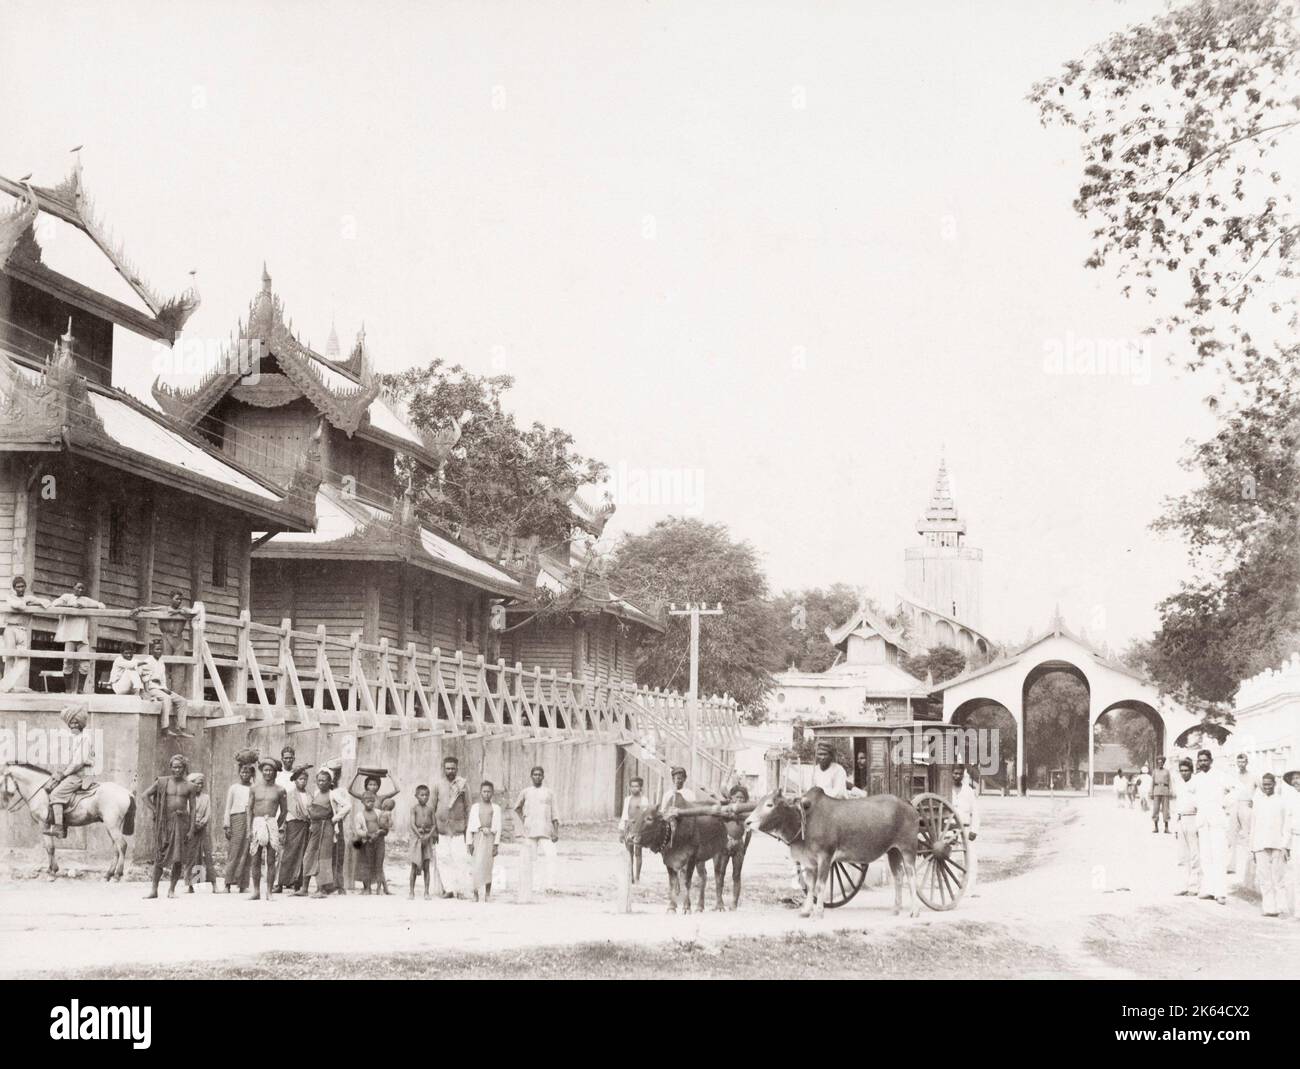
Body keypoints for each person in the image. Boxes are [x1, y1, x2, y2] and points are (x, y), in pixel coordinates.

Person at [143, 753, 196, 899]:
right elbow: (145, 795)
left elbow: (193, 809)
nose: (177, 770)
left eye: (180, 767)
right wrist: (156, 811)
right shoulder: (162, 782)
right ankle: (154, 890)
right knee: (160, 856)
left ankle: (171, 890)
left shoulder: (190, 786)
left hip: (182, 823)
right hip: (165, 824)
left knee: (178, 858)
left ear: (184, 768)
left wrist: (191, 829)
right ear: (170, 767)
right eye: (174, 767)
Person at [1188, 749, 1233, 905]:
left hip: (1217, 820)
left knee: (1219, 856)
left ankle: (1220, 892)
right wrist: (1197, 804)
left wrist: (1223, 804)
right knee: (1206, 856)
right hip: (1203, 820)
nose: (1202, 763)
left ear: (1211, 761)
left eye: (1205, 760)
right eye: (1200, 760)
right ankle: (1208, 889)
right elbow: (1190, 794)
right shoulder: (1197, 778)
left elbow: (1235, 790)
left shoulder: (1220, 776)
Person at [46, 702, 94, 837]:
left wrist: (63, 774)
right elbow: (70, 760)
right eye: (71, 723)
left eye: (75, 723)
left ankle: (59, 828)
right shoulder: (76, 738)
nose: (73, 725)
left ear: (81, 723)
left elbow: (78, 762)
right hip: (73, 773)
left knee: (56, 794)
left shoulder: (85, 738)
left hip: (79, 775)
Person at [132, 592, 195, 693]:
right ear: (170, 599)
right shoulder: (163, 609)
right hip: (166, 638)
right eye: (177, 599)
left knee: (179, 666)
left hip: (178, 640)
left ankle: (176, 692)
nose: (179, 601)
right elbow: (150, 609)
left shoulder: (183, 610)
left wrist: (178, 612)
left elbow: (193, 613)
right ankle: (163, 690)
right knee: (163, 664)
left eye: (180, 599)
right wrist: (139, 609)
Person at [50, 581, 105, 692]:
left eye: (82, 588)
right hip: (69, 636)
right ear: (73, 587)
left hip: (82, 636)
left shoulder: (85, 600)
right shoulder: (67, 597)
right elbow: (54, 604)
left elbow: (101, 605)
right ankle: (68, 689)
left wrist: (86, 606)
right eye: (78, 588)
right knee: (67, 662)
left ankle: (80, 689)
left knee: (85, 664)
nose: (80, 590)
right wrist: (71, 606)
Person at [514, 765, 560, 897]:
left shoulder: (549, 793)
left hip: (546, 830)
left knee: (551, 856)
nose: (537, 777)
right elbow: (517, 807)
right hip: (530, 831)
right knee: (532, 859)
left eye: (540, 774)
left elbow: (555, 813)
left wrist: (556, 831)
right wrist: (525, 821)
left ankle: (551, 885)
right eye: (535, 774)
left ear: (543, 777)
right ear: (531, 776)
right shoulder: (526, 792)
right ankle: (534, 885)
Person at [1250, 772, 1289, 918]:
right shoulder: (1258, 803)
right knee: (1264, 878)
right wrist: (1252, 847)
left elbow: (1286, 825)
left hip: (1277, 844)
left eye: (1269, 784)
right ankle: (1269, 908)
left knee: (1278, 877)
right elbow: (1253, 826)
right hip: (1260, 844)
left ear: (1274, 784)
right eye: (1264, 784)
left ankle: (1282, 907)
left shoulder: (1281, 802)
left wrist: (1285, 845)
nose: (1267, 787)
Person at [248, 758, 287, 901]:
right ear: (261, 771)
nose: (268, 773)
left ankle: (269, 892)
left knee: (271, 860)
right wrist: (249, 829)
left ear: (275, 772)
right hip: (257, 823)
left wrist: (276, 825)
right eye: (265, 770)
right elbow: (249, 810)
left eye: (271, 770)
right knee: (255, 859)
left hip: (271, 822)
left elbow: (284, 811)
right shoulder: (254, 788)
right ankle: (256, 891)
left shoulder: (280, 790)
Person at [430, 756, 469, 899]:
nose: (450, 771)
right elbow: (431, 808)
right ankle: (449, 889)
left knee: (460, 859)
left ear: (457, 768)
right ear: (443, 769)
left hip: (458, 828)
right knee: (443, 859)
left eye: (453, 768)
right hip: (441, 829)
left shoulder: (463, 784)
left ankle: (461, 890)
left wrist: (467, 829)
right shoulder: (437, 785)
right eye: (448, 768)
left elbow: (468, 807)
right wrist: (433, 829)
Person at [1, 576, 48, 692]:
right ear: (14, 588)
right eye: (18, 587)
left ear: (25, 587)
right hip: (10, 629)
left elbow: (47, 603)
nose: (20, 589)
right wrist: (27, 602)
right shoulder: (10, 597)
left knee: (23, 659)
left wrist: (35, 602)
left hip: (23, 630)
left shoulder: (29, 598)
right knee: (10, 658)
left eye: (22, 586)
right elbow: (18, 606)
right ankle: (7, 687)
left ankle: (5, 684)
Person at [300, 768, 339, 898]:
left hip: (326, 827)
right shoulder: (316, 793)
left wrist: (334, 819)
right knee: (309, 855)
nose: (321, 783)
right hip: (315, 827)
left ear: (330, 782)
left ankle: (321, 889)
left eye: (324, 780)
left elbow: (347, 806)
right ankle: (304, 888)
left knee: (323, 858)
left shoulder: (333, 794)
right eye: (319, 780)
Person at [277, 765, 312, 893]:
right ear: (295, 780)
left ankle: (297, 883)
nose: (302, 781)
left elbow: (310, 811)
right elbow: (286, 811)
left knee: (303, 854)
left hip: (305, 826)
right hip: (293, 825)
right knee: (288, 854)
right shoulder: (290, 795)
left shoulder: (309, 795)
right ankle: (281, 883)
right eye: (300, 779)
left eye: (305, 779)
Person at [467, 780, 502, 902]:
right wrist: (469, 843)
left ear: (492, 793)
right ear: (480, 793)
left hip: (490, 839)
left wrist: (496, 844)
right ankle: (475, 894)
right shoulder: (475, 807)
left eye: (489, 792)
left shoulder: (496, 808)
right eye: (484, 791)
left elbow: (498, 827)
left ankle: (487, 894)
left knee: (488, 866)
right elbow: (470, 826)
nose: (486, 794)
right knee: (476, 865)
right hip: (478, 838)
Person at [222, 762, 254, 893]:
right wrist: (227, 825)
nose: (245, 774)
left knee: (247, 852)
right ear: (239, 773)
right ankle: (227, 884)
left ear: (251, 774)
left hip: (250, 819)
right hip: (236, 819)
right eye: (242, 772)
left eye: (248, 772)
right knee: (234, 852)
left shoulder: (254, 787)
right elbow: (228, 807)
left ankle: (243, 885)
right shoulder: (234, 788)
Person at [1228, 753, 1260, 881]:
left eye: (1243, 762)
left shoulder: (1252, 776)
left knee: (1248, 836)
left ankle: (1250, 865)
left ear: (1247, 762)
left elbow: (1261, 790)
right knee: (1231, 836)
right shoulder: (1233, 776)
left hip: (1246, 805)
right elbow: (1227, 790)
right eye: (1239, 762)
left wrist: (1255, 801)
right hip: (1234, 805)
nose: (1241, 764)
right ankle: (1231, 865)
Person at [1171, 757, 1200, 896]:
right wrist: (1176, 826)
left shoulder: (1197, 783)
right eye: (1181, 770)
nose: (1184, 773)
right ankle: (1183, 885)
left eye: (1186, 770)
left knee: (1195, 855)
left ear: (1191, 771)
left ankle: (1194, 886)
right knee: (1182, 856)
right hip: (1181, 819)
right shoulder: (1179, 784)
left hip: (1194, 819)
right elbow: (1177, 805)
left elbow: (1200, 805)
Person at [185, 772, 216, 891]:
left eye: (201, 784)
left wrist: (202, 822)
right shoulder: (187, 798)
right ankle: (191, 885)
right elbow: (187, 812)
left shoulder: (206, 797)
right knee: (191, 856)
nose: (200, 786)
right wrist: (193, 824)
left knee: (207, 856)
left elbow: (208, 813)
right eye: (197, 784)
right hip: (191, 830)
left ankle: (214, 884)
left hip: (202, 829)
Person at [952, 764, 980, 896]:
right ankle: (955, 886)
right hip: (952, 830)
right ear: (951, 774)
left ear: (963, 775)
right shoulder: (947, 791)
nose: (957, 776)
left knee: (971, 859)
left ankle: (971, 889)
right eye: (955, 773)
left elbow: (976, 811)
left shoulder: (968, 791)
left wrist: (974, 830)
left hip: (967, 828)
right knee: (953, 858)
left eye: (959, 774)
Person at [408, 784, 435, 900]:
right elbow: (412, 824)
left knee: (426, 866)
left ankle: (426, 892)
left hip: (427, 839)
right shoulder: (414, 809)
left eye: (426, 795)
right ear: (416, 796)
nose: (424, 797)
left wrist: (428, 836)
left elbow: (434, 824)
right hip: (416, 839)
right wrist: (420, 835)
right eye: (421, 795)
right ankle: (411, 892)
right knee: (414, 866)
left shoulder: (430, 809)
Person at [618, 776, 647, 884]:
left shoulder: (644, 800)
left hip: (638, 828)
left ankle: (637, 876)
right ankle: (630, 876)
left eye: (636, 786)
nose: (634, 788)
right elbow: (624, 815)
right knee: (629, 852)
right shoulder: (627, 799)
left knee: (638, 852)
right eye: (632, 786)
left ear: (641, 788)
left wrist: (643, 830)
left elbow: (644, 815)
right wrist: (622, 830)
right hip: (629, 827)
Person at [355, 791, 383, 894]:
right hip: (367, 842)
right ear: (362, 802)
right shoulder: (359, 815)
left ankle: (379, 889)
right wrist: (368, 834)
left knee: (379, 864)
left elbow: (384, 825)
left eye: (372, 801)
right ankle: (367, 888)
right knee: (367, 864)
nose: (370, 803)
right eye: (368, 801)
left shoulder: (379, 813)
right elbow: (358, 830)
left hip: (379, 841)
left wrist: (380, 832)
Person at [376, 798, 395, 895]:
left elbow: (391, 824)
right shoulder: (380, 812)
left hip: (381, 835)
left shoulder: (387, 813)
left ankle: (379, 888)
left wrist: (385, 827)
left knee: (379, 866)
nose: (383, 804)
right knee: (379, 866)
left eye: (385, 804)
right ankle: (384, 888)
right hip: (377, 836)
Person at [1150, 756, 1172, 834]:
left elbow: (1170, 782)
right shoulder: (1154, 771)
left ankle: (1166, 828)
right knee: (1156, 809)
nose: (1160, 764)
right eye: (1159, 762)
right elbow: (1152, 782)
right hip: (1156, 790)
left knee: (1166, 809)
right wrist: (1151, 792)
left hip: (1165, 790)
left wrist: (1171, 791)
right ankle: (1156, 827)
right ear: (1157, 763)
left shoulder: (1167, 771)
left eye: (1162, 762)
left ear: (1163, 763)